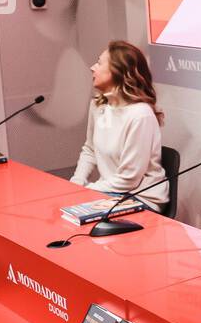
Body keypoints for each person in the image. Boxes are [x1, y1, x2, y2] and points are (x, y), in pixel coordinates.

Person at [70, 41, 169, 211]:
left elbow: (128, 179)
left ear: (118, 72)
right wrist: (75, 184)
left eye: (100, 63)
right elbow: (90, 149)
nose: (92, 67)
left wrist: (87, 190)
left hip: (141, 197)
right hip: (110, 192)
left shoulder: (140, 115)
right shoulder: (98, 105)